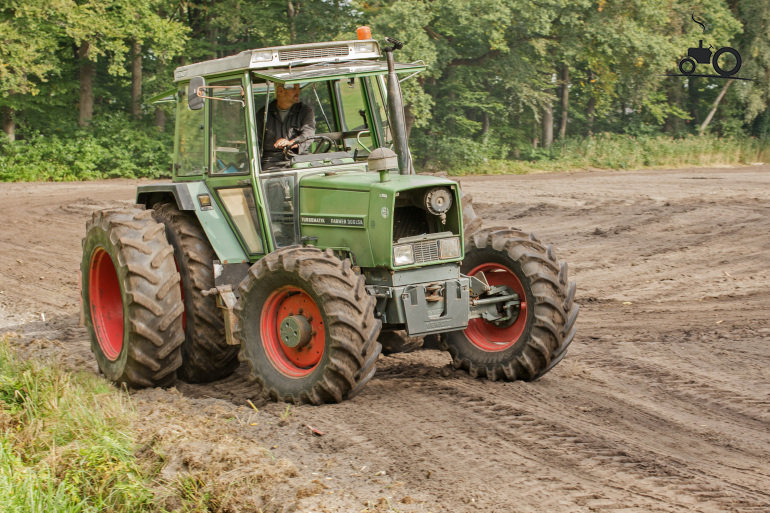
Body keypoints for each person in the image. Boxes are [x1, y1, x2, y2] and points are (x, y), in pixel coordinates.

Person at [256, 83, 315, 168]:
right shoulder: (263, 114)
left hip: (299, 158)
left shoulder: (305, 111)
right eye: (294, 88)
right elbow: (256, 142)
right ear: (280, 91)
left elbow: (309, 133)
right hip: (272, 162)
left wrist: (291, 143)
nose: (298, 92)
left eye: (298, 88)